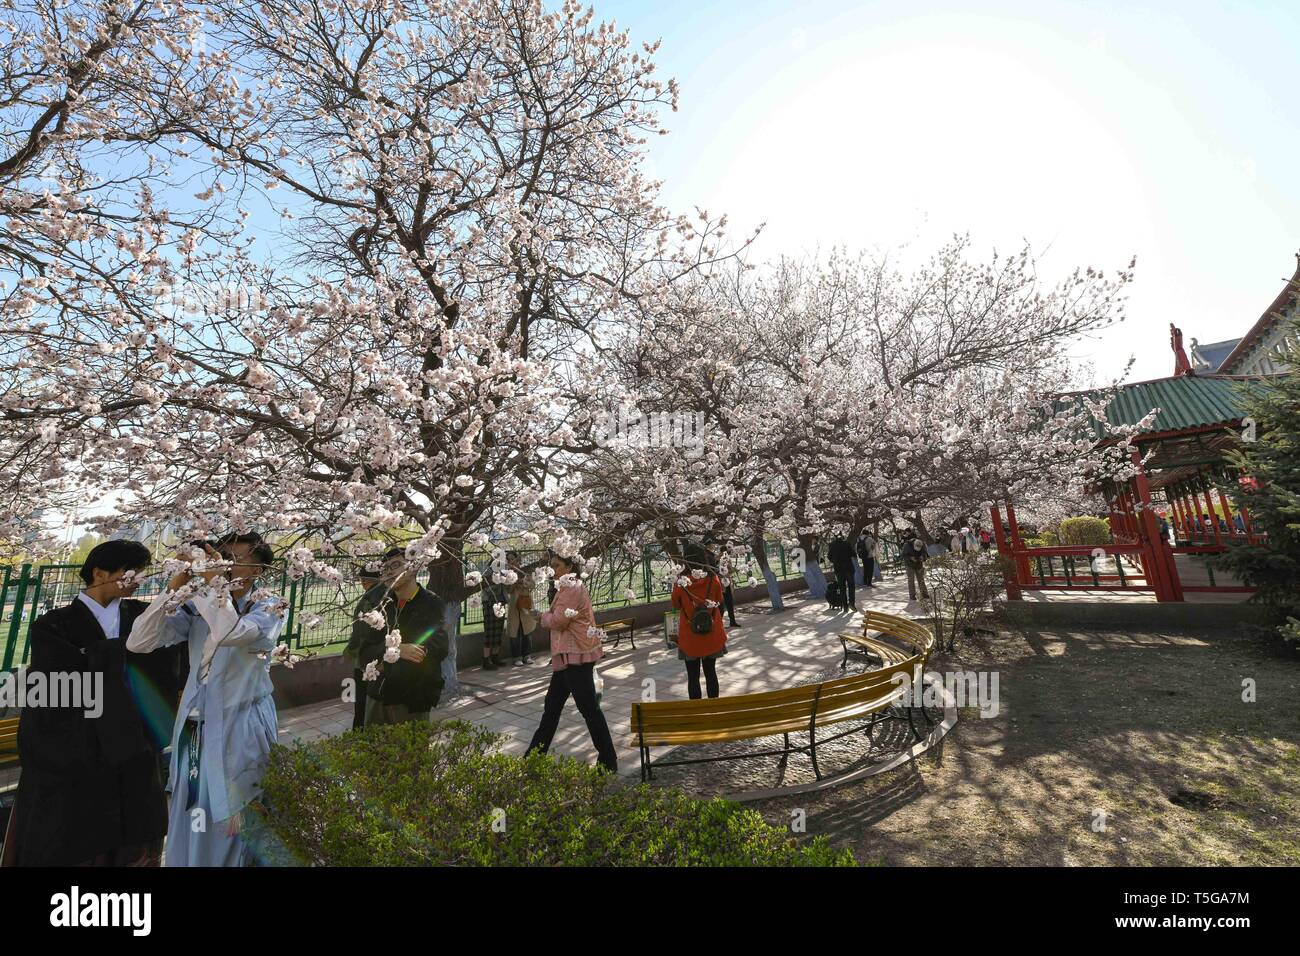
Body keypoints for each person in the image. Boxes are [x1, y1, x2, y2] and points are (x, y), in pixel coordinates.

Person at [11, 540, 183, 866]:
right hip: (80, 755)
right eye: (129, 572)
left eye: (141, 573)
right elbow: (55, 688)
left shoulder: (142, 615)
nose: (138, 580)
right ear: (99, 572)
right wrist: (126, 655)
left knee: (136, 844)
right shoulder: (52, 625)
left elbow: (162, 665)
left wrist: (97, 658)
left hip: (134, 750)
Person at [126, 533, 284, 867]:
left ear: (257, 571)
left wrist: (214, 586)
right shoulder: (199, 605)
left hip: (241, 728)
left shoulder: (270, 604)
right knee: (192, 810)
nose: (224, 563)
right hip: (195, 732)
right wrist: (174, 587)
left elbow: (232, 633)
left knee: (237, 810)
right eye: (221, 555)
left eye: (234, 558)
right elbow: (139, 642)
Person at [525, 553, 618, 773]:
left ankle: (608, 760)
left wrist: (541, 618)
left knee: (588, 709)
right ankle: (533, 757)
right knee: (552, 708)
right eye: (552, 566)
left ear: (569, 567)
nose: (553, 570)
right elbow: (558, 615)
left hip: (575, 658)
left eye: (557, 566)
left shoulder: (572, 588)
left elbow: (559, 620)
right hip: (568, 657)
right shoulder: (566, 588)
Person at [350, 547, 450, 726]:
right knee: (373, 750)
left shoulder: (432, 604)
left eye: (395, 565)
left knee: (411, 752)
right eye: (385, 568)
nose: (389, 572)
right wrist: (396, 650)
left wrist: (385, 662)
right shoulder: (378, 606)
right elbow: (365, 652)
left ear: (414, 567)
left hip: (412, 699)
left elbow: (438, 647)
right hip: (377, 696)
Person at [670, 549, 728, 699]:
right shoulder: (712, 579)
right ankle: (713, 709)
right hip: (711, 635)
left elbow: (676, 605)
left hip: (690, 636)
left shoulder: (680, 582)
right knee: (711, 673)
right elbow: (719, 600)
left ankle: (697, 710)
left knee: (693, 676)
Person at [345, 565, 384, 731]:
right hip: (380, 657)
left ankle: (360, 734)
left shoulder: (370, 598)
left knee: (361, 701)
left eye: (362, 580)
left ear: (366, 580)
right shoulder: (388, 594)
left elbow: (363, 632)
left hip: (365, 658)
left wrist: (351, 649)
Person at [504, 550, 538, 665]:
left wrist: (524, 582)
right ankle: (516, 657)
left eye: (512, 559)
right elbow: (508, 590)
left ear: (518, 560)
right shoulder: (506, 573)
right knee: (515, 631)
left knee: (526, 630)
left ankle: (527, 655)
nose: (510, 561)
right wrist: (514, 582)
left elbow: (533, 585)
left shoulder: (525, 571)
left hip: (526, 604)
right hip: (514, 605)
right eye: (508, 559)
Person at [479, 566, 507, 671]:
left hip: (501, 601)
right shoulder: (487, 572)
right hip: (489, 602)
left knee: (498, 631)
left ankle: (495, 657)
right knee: (490, 632)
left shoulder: (503, 571)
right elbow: (484, 586)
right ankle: (486, 660)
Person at [827, 532, 856, 610]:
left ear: (835, 537)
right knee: (851, 586)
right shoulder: (847, 544)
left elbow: (829, 557)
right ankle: (851, 603)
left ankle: (845, 606)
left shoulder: (832, 545)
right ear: (842, 536)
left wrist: (835, 561)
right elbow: (853, 554)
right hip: (848, 568)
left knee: (842, 588)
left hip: (838, 569)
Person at [901, 530, 929, 601]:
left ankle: (924, 593)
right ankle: (912, 595)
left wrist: (923, 557)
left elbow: (925, 554)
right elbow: (903, 555)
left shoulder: (921, 544)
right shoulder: (906, 545)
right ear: (913, 544)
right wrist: (910, 558)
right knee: (911, 579)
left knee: (921, 579)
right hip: (909, 564)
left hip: (919, 563)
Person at [718, 543, 741, 628]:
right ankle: (722, 623)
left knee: (727, 603)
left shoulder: (725, 559)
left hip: (725, 583)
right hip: (722, 584)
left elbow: (730, 570)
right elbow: (727, 570)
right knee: (723, 604)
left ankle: (731, 621)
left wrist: (732, 570)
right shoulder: (719, 559)